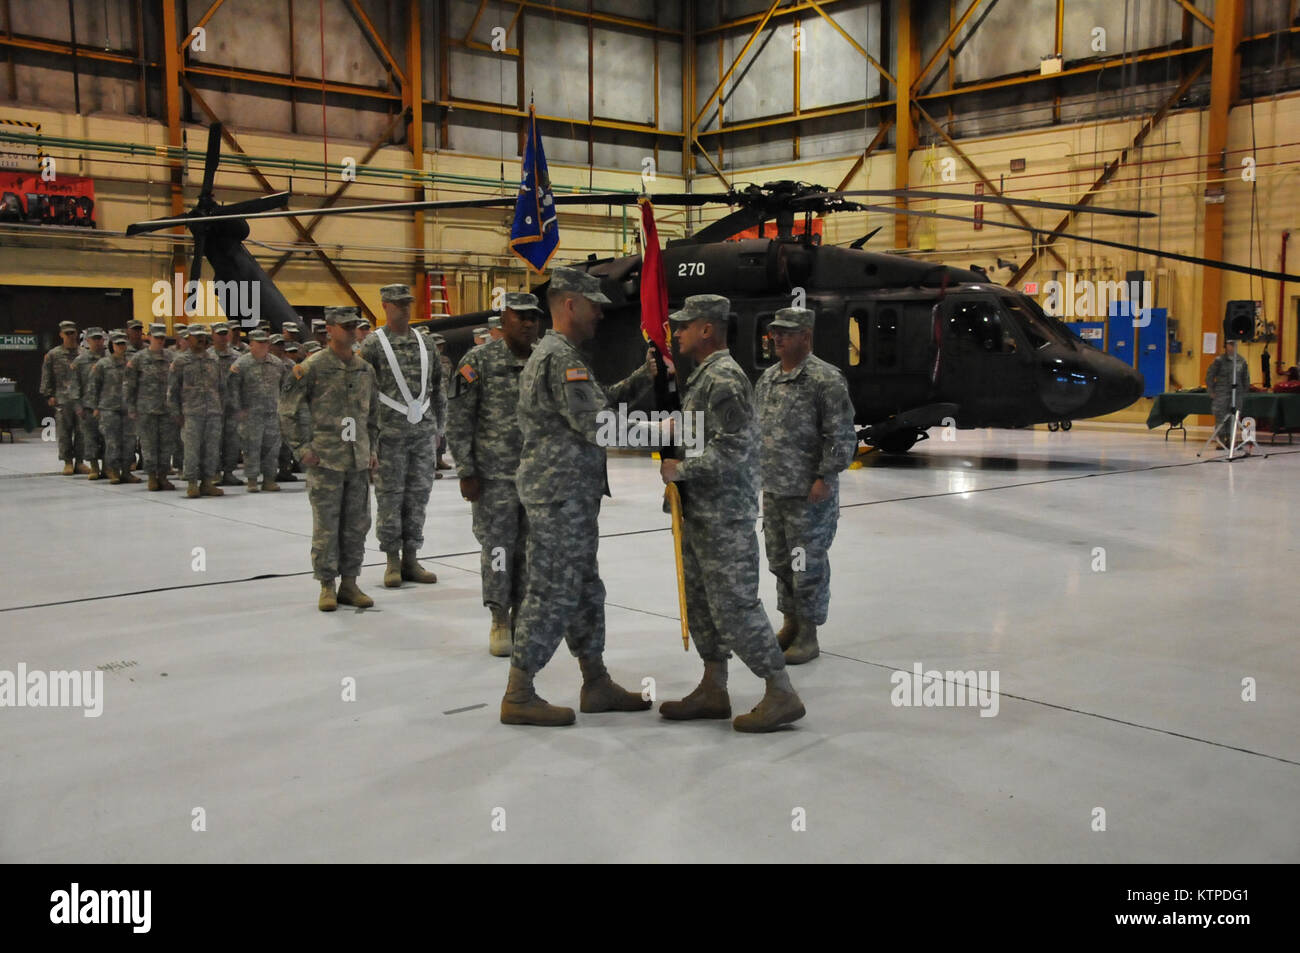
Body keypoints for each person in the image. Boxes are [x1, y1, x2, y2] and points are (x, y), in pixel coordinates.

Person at [501, 267, 657, 727]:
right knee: (552, 591)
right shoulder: (559, 358)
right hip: (559, 497)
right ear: (570, 304)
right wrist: (674, 431)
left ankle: (595, 681)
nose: (601, 315)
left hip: (570, 495)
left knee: (586, 590)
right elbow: (598, 424)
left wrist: (642, 377)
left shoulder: (561, 355)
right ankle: (519, 691)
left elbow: (597, 403)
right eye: (594, 305)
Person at [659, 295, 806, 732]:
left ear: (707, 329)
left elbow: (736, 448)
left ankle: (781, 692)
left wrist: (680, 469)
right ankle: (713, 686)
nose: (677, 332)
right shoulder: (702, 376)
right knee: (702, 604)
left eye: (685, 325)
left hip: (723, 513)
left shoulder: (724, 378)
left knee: (736, 607)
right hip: (698, 509)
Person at [754, 307, 857, 665]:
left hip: (810, 495)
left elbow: (840, 435)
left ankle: (809, 634)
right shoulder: (767, 379)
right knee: (781, 562)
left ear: (806, 336)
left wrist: (824, 477)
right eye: (775, 332)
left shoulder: (825, 379)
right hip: (776, 492)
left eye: (786, 332)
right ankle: (791, 623)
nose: (778, 337)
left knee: (806, 565)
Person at [446, 292, 541, 656]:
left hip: (536, 478)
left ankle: (523, 615)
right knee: (499, 548)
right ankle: (500, 617)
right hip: (494, 478)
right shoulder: (478, 361)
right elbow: (458, 418)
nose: (529, 323)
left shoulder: (543, 361)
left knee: (530, 551)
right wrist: (466, 470)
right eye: (521, 317)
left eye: (534, 317)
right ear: (504, 320)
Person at [278, 306, 379, 611]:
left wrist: (372, 449)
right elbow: (288, 410)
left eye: (354, 326)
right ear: (330, 330)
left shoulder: (365, 370)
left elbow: (372, 415)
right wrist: (301, 449)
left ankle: (350, 582)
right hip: (326, 460)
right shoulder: (311, 367)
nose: (351, 331)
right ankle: (326, 584)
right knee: (327, 525)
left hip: (357, 461)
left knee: (357, 524)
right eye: (345, 326)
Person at [358, 285, 441, 588]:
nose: (404, 309)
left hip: (422, 434)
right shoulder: (372, 345)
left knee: (418, 496)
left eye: (407, 303)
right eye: (397, 304)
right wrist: (367, 442)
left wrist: (438, 428)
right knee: (390, 497)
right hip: (388, 435)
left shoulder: (426, 342)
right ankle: (392, 560)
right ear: (384, 306)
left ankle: (412, 558)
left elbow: (437, 387)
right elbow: (362, 394)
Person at [167, 323, 227, 498]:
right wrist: (176, 413)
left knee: (212, 449)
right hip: (191, 413)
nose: (201, 339)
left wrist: (220, 408)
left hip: (213, 412)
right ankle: (192, 483)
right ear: (188, 338)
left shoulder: (213, 359)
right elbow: (172, 390)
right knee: (192, 450)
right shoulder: (180, 361)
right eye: (197, 336)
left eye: (203, 336)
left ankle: (207, 482)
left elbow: (222, 387)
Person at [229, 328, 285, 492]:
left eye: (265, 342)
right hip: (250, 415)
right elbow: (233, 390)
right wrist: (238, 410)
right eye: (259, 342)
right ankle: (252, 480)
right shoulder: (241, 364)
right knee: (251, 448)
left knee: (272, 448)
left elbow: (284, 388)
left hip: (272, 414)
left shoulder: (277, 363)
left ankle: (269, 479)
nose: (263, 345)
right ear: (251, 344)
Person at [125, 323, 178, 491]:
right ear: (149, 337)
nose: (160, 341)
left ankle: (163, 476)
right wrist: (131, 408)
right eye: (157, 338)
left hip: (167, 410)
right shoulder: (139, 359)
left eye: (163, 338)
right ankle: (151, 477)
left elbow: (177, 384)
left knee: (166, 445)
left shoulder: (171, 357)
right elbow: (129, 385)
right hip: (146, 410)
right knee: (148, 446)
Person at [87, 332, 140, 484]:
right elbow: (93, 387)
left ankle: (127, 472)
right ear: (112, 346)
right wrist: (95, 407)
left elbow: (136, 385)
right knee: (112, 442)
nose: (121, 347)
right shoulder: (103, 364)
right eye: (118, 344)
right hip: (109, 409)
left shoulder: (131, 364)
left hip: (127, 409)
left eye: (123, 344)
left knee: (129, 442)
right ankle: (114, 471)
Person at [40, 320, 87, 474]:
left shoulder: (83, 354)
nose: (70, 336)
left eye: (72, 333)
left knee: (82, 432)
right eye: (67, 333)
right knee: (64, 432)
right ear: (61, 334)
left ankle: (80, 462)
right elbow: (47, 376)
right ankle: (67, 462)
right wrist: (49, 395)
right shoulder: (53, 354)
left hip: (80, 399)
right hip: (62, 399)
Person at [71, 327, 107, 480]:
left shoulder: (109, 359)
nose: (98, 342)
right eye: (94, 339)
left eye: (100, 338)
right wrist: (77, 406)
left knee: (108, 439)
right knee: (90, 438)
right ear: (88, 341)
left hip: (107, 406)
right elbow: (74, 385)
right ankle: (94, 467)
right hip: (88, 406)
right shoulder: (80, 361)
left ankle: (107, 467)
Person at [211, 322, 242, 486]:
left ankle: (229, 472)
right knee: (214, 441)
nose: (223, 338)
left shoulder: (237, 357)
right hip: (213, 407)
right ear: (212, 335)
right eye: (219, 334)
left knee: (232, 441)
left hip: (232, 407)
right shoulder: (207, 356)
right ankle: (214, 472)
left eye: (225, 334)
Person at [1206, 338, 1251, 444]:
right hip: (1222, 393)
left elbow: (1246, 378)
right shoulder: (1219, 360)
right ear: (1225, 346)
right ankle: (1220, 441)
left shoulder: (1241, 360)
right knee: (1221, 417)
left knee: (1234, 418)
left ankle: (1231, 440)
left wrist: (1244, 391)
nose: (1232, 346)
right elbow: (1210, 376)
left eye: (1234, 344)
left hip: (1237, 394)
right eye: (1230, 344)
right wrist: (1211, 390)